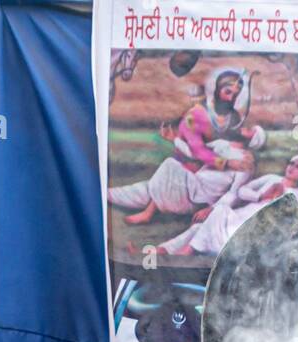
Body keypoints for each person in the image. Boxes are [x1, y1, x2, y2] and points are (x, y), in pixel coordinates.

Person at [108, 67, 266, 226]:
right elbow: (197, 151)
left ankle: (147, 213)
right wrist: (176, 140)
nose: (231, 98)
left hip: (196, 190)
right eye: (227, 92)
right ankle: (106, 195)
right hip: (186, 176)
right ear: (217, 90)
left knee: (157, 181)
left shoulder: (242, 147)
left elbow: (234, 191)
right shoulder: (196, 116)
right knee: (137, 192)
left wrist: (212, 208)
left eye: (235, 95)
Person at [160, 155, 298, 258]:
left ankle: (185, 252)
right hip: (239, 217)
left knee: (219, 212)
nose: (292, 167)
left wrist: (274, 203)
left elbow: (292, 225)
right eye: (291, 163)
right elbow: (241, 191)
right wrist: (260, 196)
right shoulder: (272, 178)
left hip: (254, 229)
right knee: (198, 228)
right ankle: (164, 250)